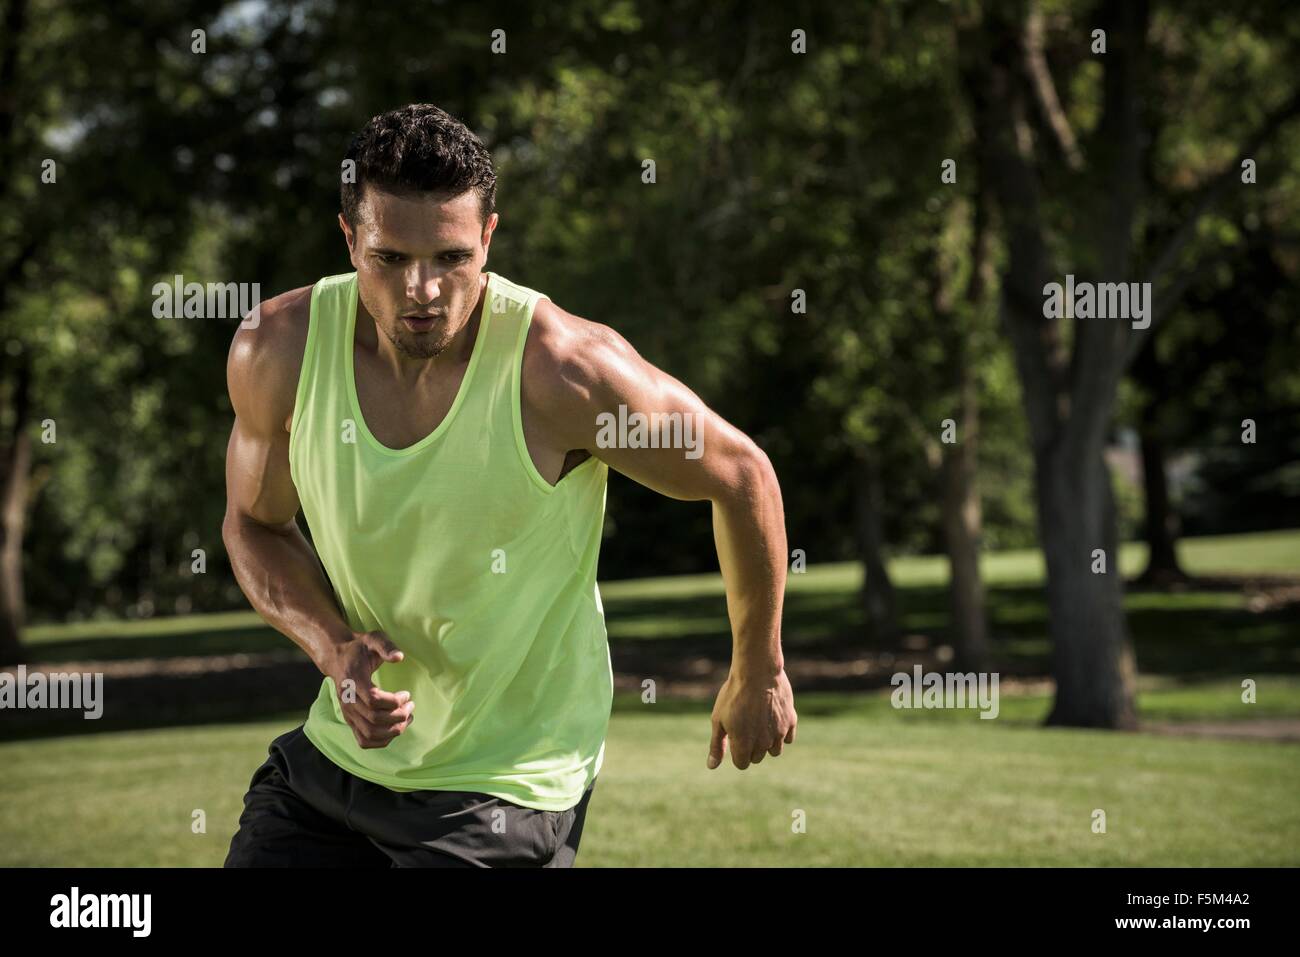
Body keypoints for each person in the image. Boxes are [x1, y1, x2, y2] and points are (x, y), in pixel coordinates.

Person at [221, 103, 796, 867]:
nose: (422, 290)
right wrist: (333, 648)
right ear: (350, 238)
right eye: (391, 258)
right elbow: (252, 523)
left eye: (451, 258)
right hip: (342, 762)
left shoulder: (561, 371)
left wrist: (758, 668)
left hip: (507, 783)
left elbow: (741, 474)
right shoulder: (279, 350)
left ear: (488, 240)